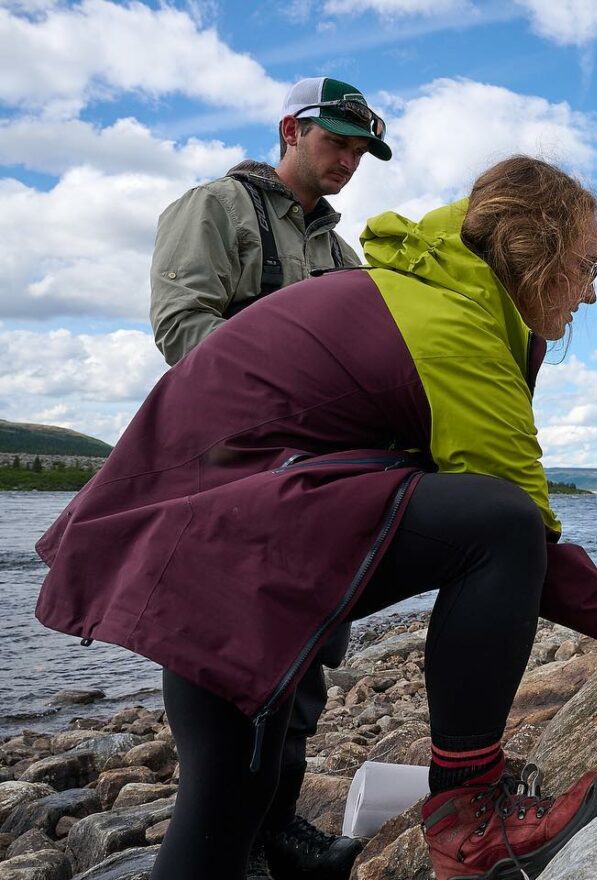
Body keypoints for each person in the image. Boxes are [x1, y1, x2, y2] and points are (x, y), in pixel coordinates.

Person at [35, 159, 597, 880]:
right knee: (494, 527)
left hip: (217, 528)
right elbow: (518, 530)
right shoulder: (452, 326)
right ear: (534, 253)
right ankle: (468, 808)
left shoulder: (435, 297)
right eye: (586, 267)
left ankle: (284, 841)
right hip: (215, 536)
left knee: (233, 793)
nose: (591, 294)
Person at [145, 76, 392, 880]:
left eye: (361, 150)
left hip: (314, 486)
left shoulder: (342, 254)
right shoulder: (213, 208)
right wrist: (300, 392)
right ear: (291, 128)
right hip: (224, 479)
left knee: (307, 657)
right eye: (336, 142)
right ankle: (226, 840)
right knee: (225, 663)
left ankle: (277, 827)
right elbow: (183, 332)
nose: (349, 160)